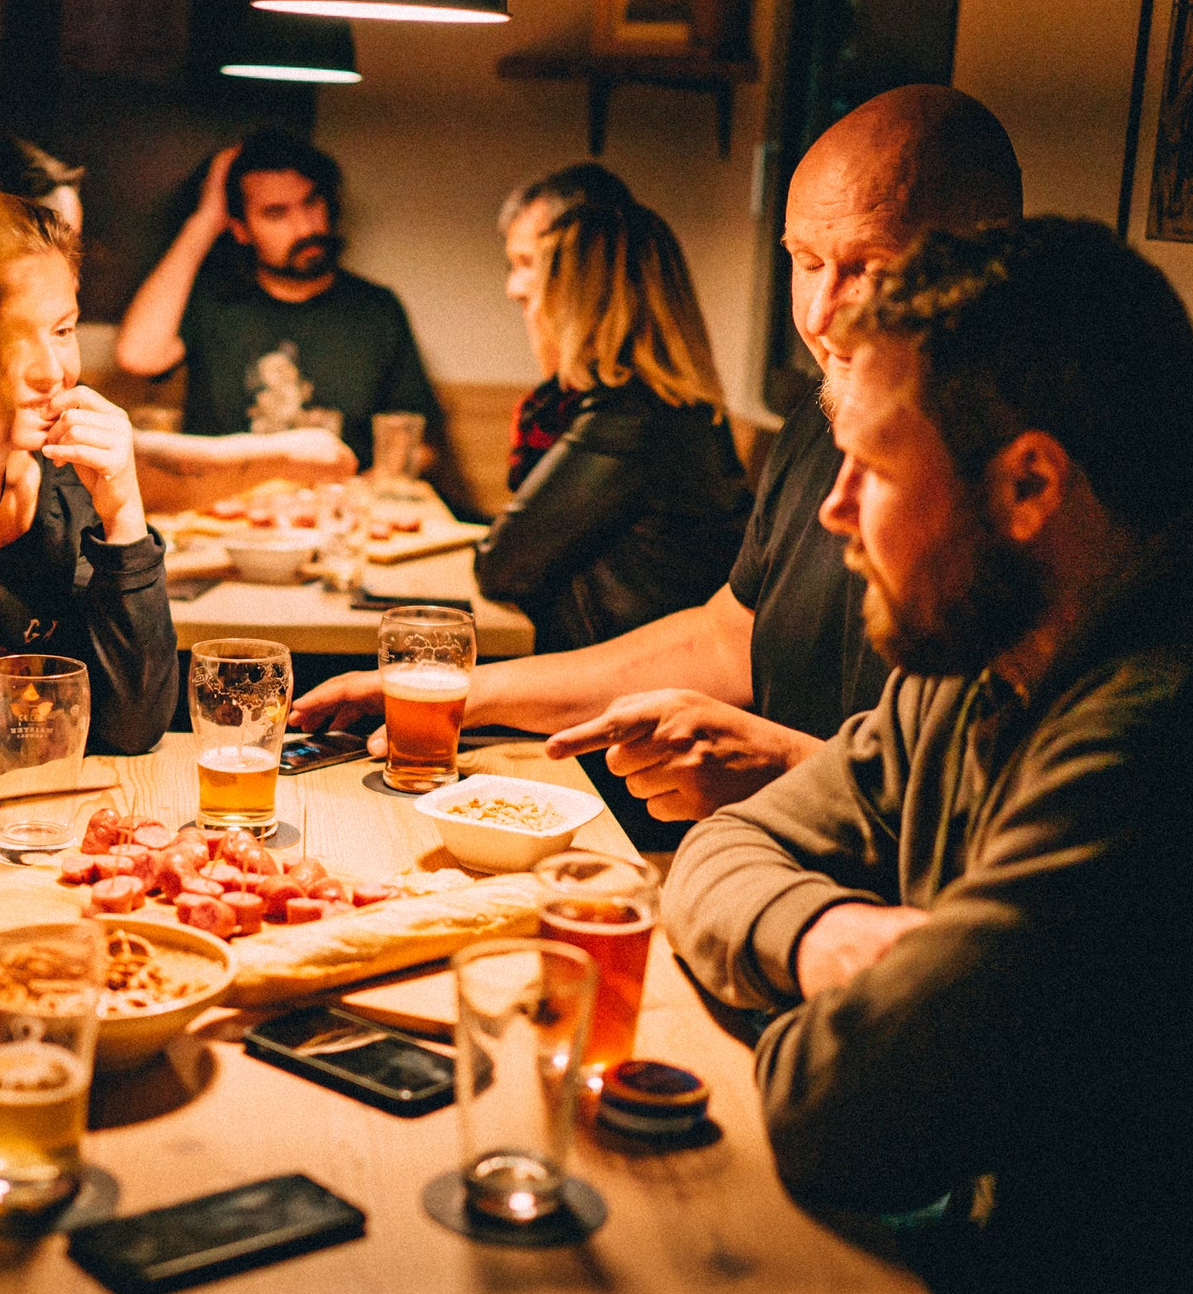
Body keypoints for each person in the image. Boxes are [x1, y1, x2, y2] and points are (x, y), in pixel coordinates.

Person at [661, 216, 1193, 1294]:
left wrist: (838, 1017)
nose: (830, 513)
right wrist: (822, 935)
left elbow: (844, 1109)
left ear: (1025, 487)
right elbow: (727, 841)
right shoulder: (977, 643)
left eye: (865, 467)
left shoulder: (1185, 718)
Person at [295, 86, 1022, 826]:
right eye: (804, 261)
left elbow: (997, 814)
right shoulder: (813, 421)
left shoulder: (1027, 491)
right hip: (758, 852)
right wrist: (464, 690)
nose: (818, 315)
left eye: (868, 267)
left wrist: (787, 774)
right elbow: (723, 638)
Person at [0, 169, 178, 774]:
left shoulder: (67, 481)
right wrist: (78, 726)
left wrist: (123, 511)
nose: (54, 370)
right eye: (16, 337)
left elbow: (136, 722)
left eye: (64, 330)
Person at [473, 165, 749, 653]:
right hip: (624, 674)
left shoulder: (630, 418)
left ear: (578, 296)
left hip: (622, 695)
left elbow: (502, 567)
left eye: (537, 271)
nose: (523, 295)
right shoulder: (671, 407)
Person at [116, 129, 462, 512]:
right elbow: (139, 356)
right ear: (241, 229)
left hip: (334, 515)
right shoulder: (216, 299)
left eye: (311, 203)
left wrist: (362, 490)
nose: (306, 228)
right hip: (225, 511)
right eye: (276, 214)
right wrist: (205, 221)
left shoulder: (375, 308)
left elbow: (420, 440)